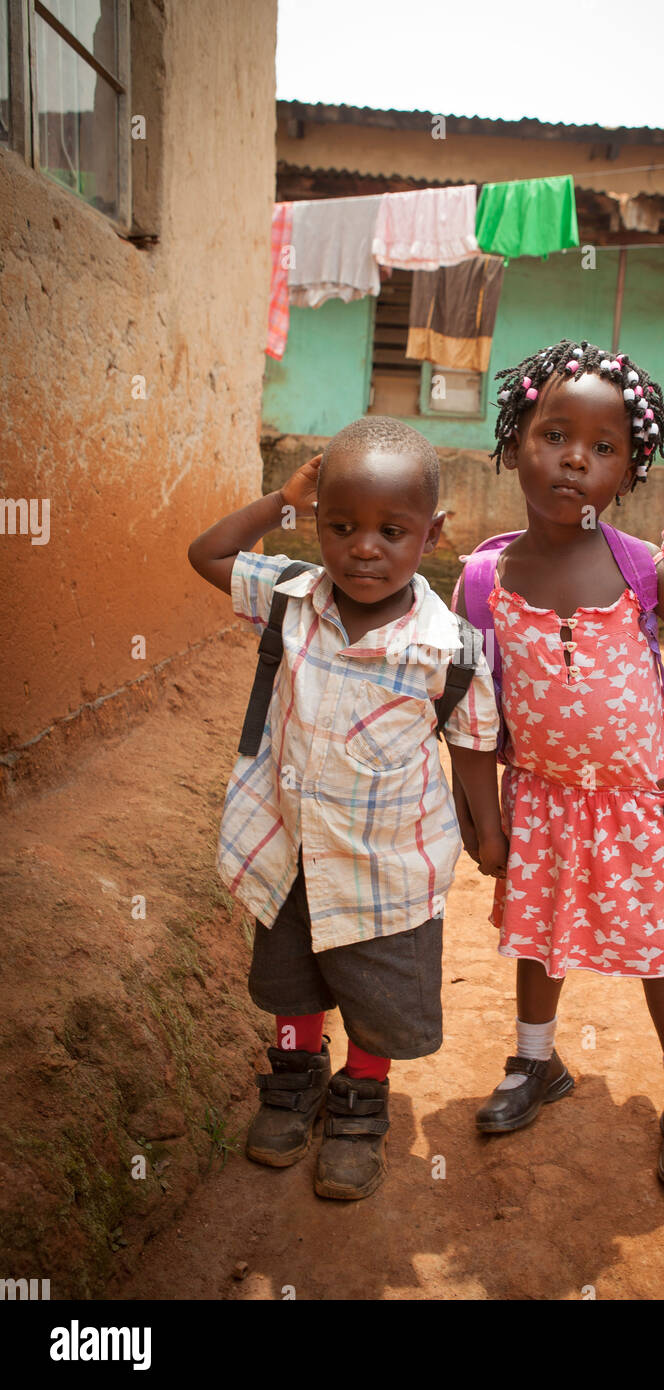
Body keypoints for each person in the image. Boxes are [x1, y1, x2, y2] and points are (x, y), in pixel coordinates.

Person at [452, 340, 664, 1194]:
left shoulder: (644, 572)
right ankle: (534, 1064)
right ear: (515, 440)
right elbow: (467, 716)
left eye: (603, 446)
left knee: (661, 953)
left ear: (630, 466)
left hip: (636, 808)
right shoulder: (482, 579)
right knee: (539, 937)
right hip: (539, 802)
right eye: (553, 433)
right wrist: (482, 819)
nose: (574, 458)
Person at [188, 416, 505, 1200]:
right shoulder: (291, 597)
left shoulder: (451, 650)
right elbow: (207, 555)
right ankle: (294, 1080)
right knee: (292, 983)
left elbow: (471, 750)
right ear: (317, 523)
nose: (364, 547)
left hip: (389, 865)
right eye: (340, 526)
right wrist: (281, 500)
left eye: (391, 531)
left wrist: (488, 836)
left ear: (432, 534)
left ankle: (361, 1102)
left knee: (376, 992)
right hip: (293, 847)